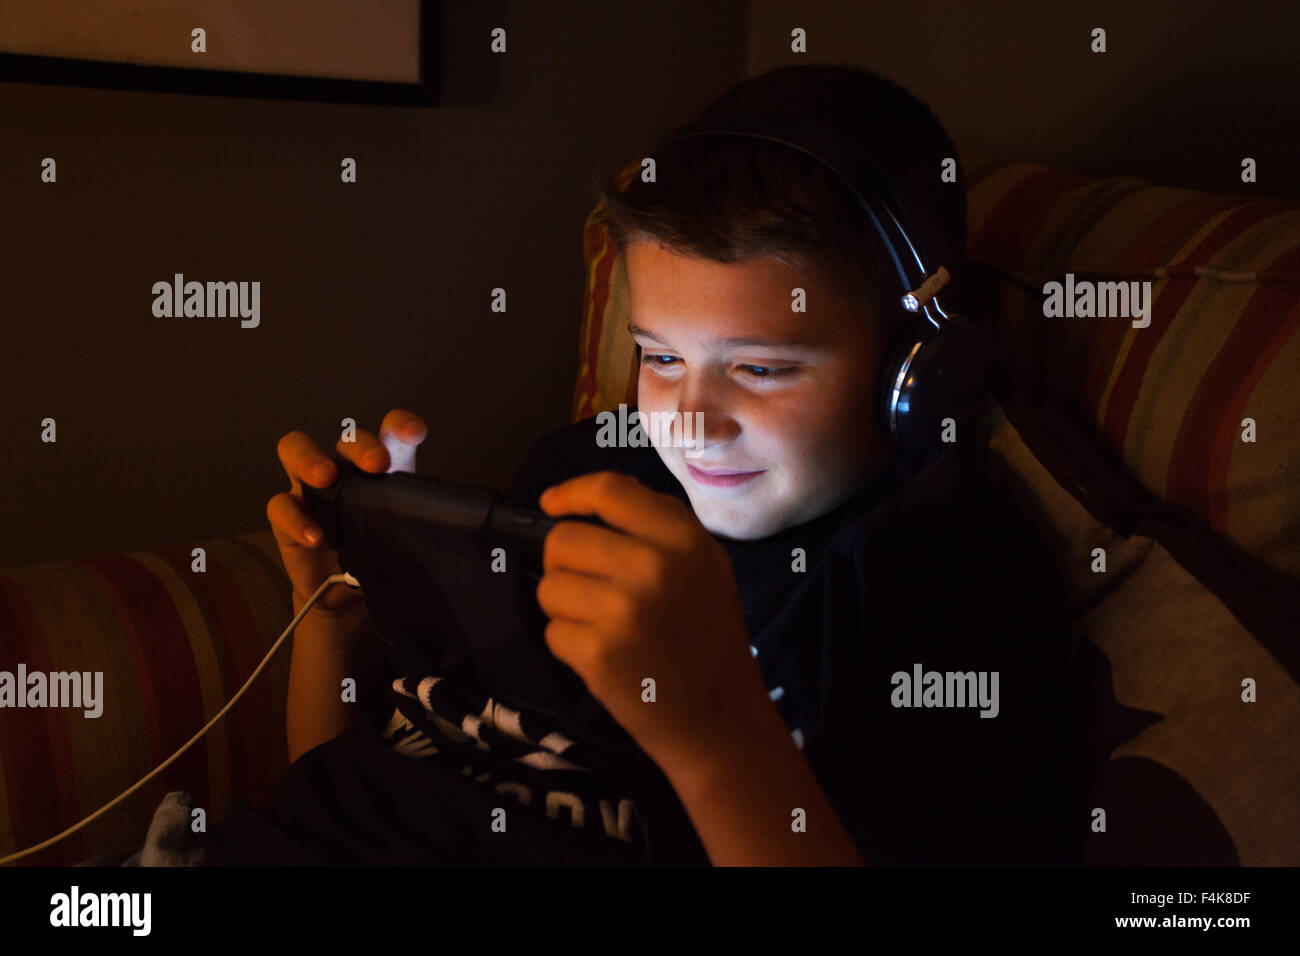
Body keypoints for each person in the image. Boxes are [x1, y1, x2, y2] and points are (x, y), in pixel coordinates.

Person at [115, 64, 1081, 867]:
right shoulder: (583, 477)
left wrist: (715, 732)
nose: (689, 422)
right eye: (660, 356)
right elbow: (341, 795)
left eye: (760, 367)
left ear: (920, 370)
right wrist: (332, 614)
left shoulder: (944, 588)